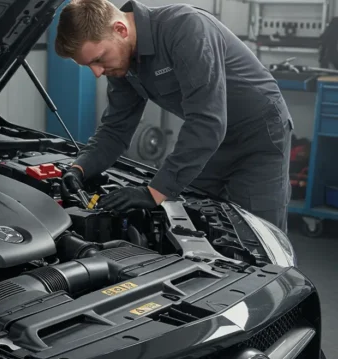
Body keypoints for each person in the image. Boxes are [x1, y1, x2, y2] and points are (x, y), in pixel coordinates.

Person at [56, 0, 292, 232]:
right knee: (197, 223)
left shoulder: (185, 28)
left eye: (98, 60)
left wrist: (153, 192)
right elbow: (115, 129)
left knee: (257, 235)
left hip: (257, 135)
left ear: (121, 29)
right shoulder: (121, 62)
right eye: (89, 65)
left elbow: (207, 120)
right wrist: (79, 168)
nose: (97, 72)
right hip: (209, 142)